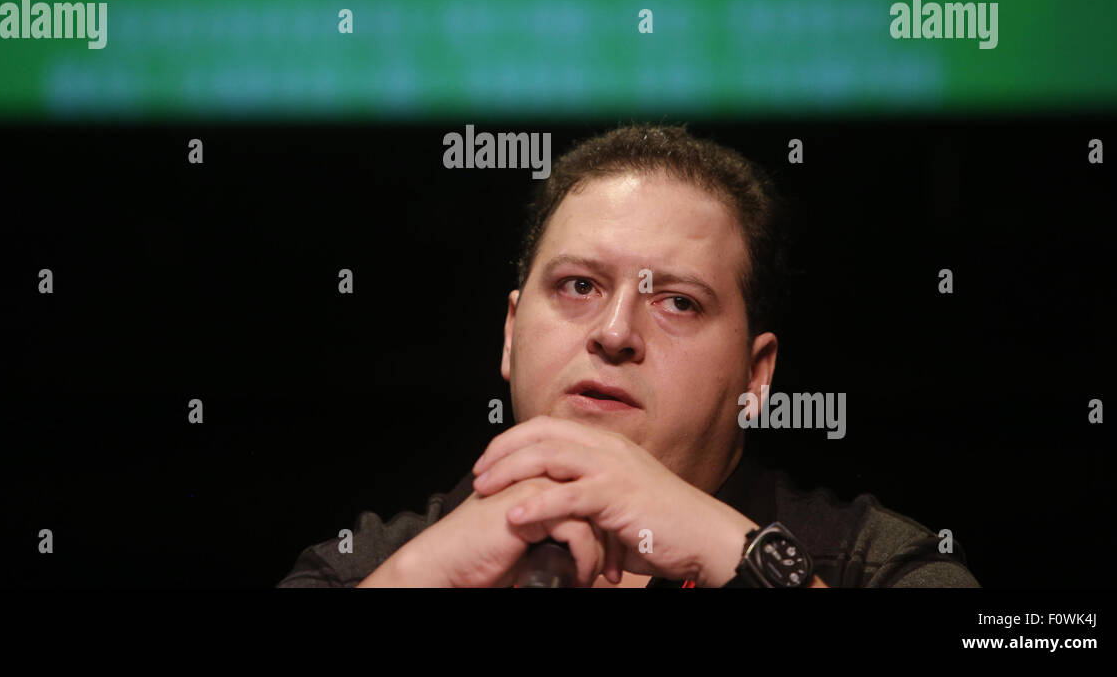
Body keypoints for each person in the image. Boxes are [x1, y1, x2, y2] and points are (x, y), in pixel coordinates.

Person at [278, 124, 979, 588]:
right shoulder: (369, 568)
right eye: (578, 286)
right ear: (511, 333)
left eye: (678, 302)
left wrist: (734, 553)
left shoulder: (880, 564)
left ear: (756, 376)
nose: (615, 333)